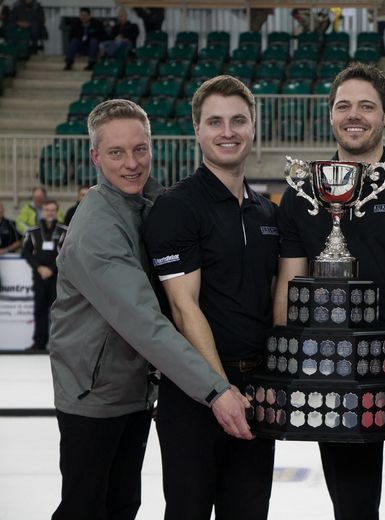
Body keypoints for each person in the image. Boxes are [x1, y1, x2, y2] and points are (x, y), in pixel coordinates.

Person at [48, 99, 252, 520]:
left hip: (133, 392)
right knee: (86, 508)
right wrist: (215, 388)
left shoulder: (152, 201)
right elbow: (144, 323)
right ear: (95, 157)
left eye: (140, 149)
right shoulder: (97, 229)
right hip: (93, 397)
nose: (131, 164)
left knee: (123, 505)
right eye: (116, 153)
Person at [275, 63, 385, 520]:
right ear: (330, 115)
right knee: (352, 512)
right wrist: (289, 377)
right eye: (344, 106)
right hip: (335, 378)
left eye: (367, 106)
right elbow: (290, 290)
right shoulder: (302, 196)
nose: (354, 116)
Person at [142, 76, 278, 520]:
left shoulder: (266, 212)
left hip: (256, 395)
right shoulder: (176, 206)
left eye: (238, 120)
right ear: (196, 130)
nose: (227, 131)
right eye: (215, 121)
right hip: (195, 395)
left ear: (253, 127)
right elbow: (184, 307)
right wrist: (219, 390)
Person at [21, 199, 66, 352]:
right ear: (42, 211)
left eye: (53, 210)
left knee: (57, 311)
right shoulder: (33, 232)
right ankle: (39, 343)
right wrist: (40, 268)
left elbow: (66, 254)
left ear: (57, 212)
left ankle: (58, 345)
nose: (49, 213)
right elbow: (26, 253)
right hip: (39, 277)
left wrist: (52, 269)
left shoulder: (64, 231)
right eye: (47, 210)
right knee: (39, 309)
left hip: (56, 277)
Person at [64, 7, 106, 71]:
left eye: (85, 15)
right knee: (74, 41)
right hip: (81, 47)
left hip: (92, 48)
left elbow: (103, 37)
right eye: (81, 15)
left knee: (93, 40)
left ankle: (92, 63)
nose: (83, 17)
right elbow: (71, 37)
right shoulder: (76, 24)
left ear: (89, 16)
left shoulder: (96, 24)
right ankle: (69, 63)